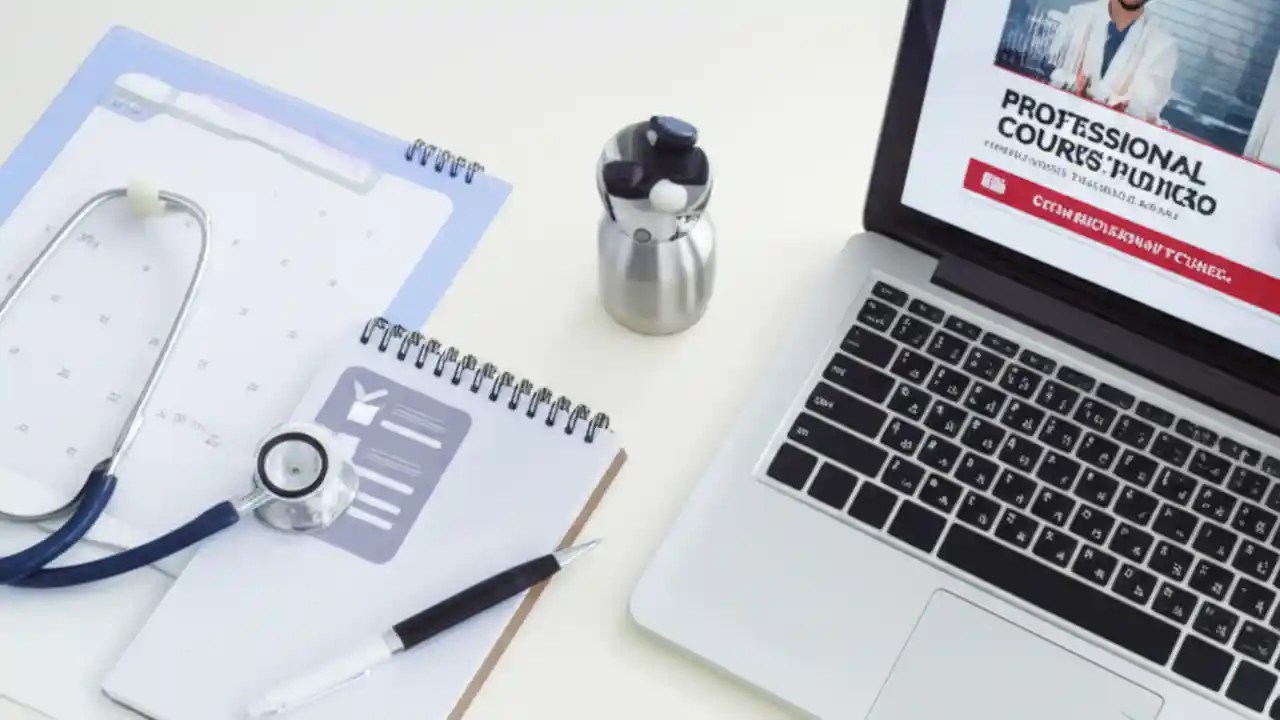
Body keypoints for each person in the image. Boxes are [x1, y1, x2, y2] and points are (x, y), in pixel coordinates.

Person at [1047, 0, 1178, 123]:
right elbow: (1050, 78)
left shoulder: (1163, 44)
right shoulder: (1078, 16)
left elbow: (1143, 107)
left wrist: (1088, 92)